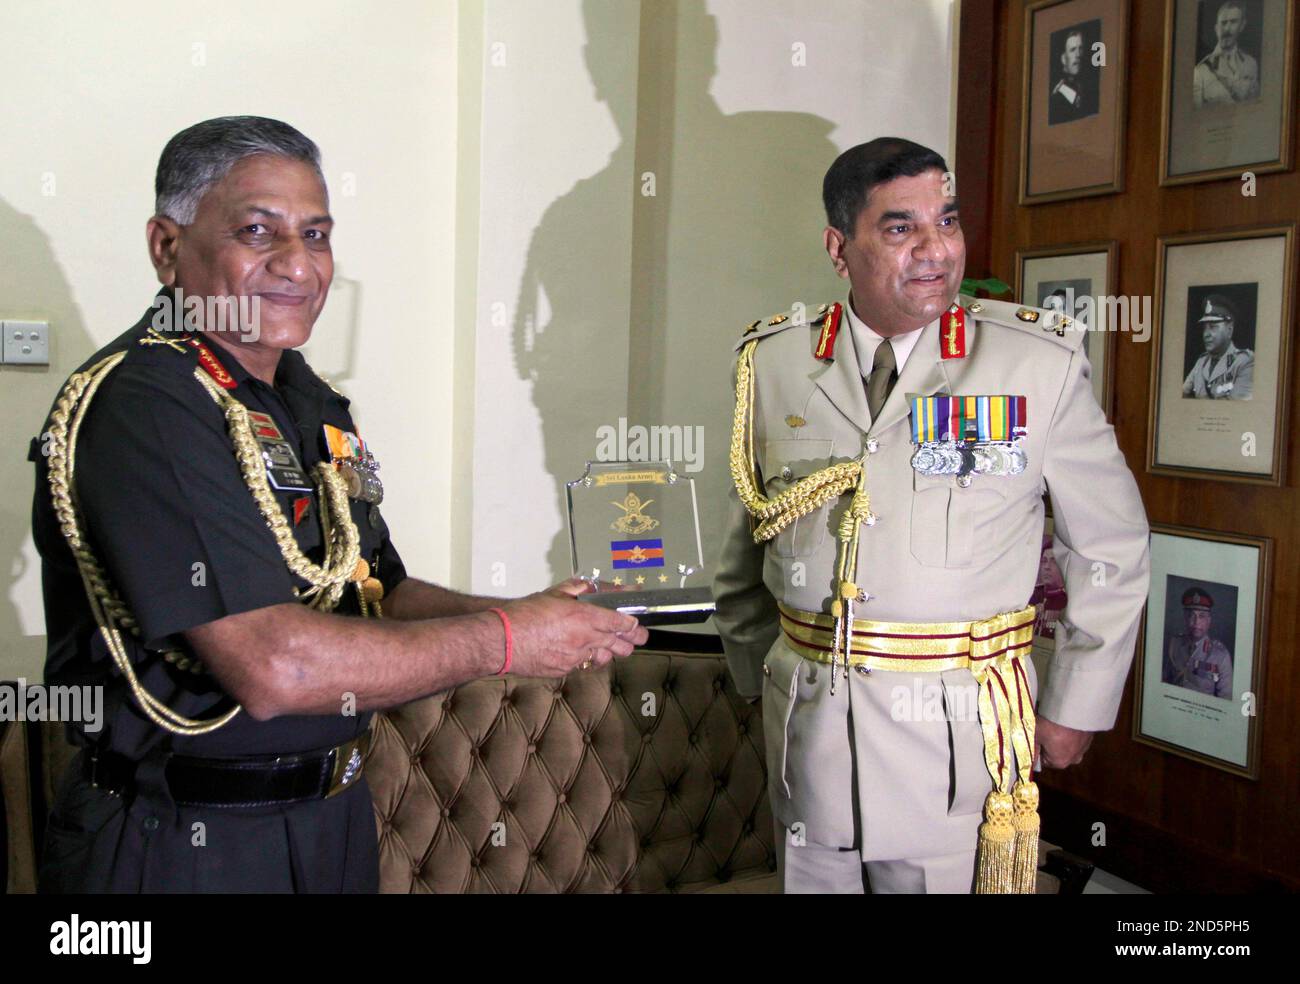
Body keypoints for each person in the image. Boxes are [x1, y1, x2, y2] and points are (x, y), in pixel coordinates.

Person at [29, 116, 647, 893]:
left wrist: (534, 613)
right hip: (184, 839)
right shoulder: (147, 403)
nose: (298, 265)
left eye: (316, 235)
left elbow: (374, 590)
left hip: (330, 819)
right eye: (258, 231)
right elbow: (274, 666)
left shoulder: (306, 398)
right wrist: (508, 640)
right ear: (166, 246)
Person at [712, 137, 1150, 894]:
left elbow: (1110, 545)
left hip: (957, 747)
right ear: (839, 248)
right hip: (809, 737)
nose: (936, 248)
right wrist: (763, 676)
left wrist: (1077, 704)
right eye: (900, 227)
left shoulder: (1033, 363)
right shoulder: (774, 361)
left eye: (946, 221)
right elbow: (748, 534)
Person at [1163, 587, 1233, 699]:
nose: (1196, 622)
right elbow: (1164, 682)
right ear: (1185, 618)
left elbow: (1225, 698)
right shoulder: (1174, 644)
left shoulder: (1220, 655)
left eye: (1201, 616)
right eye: (1192, 615)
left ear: (1209, 620)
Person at [1182, 294, 1254, 399]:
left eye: (1213, 327)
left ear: (1229, 330)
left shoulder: (1245, 362)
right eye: (1205, 328)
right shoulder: (1201, 362)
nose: (1206, 334)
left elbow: (1239, 407)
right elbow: (1181, 394)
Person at [1193, 1, 1260, 108]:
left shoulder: (1251, 64)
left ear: (1242, 26)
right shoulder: (1200, 71)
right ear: (1216, 28)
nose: (1227, 29)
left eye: (1233, 22)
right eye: (1223, 23)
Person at [1049, 29, 1093, 123]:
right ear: (1063, 59)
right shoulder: (1056, 101)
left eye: (1080, 49)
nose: (1078, 55)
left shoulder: (1090, 92)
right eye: (1072, 50)